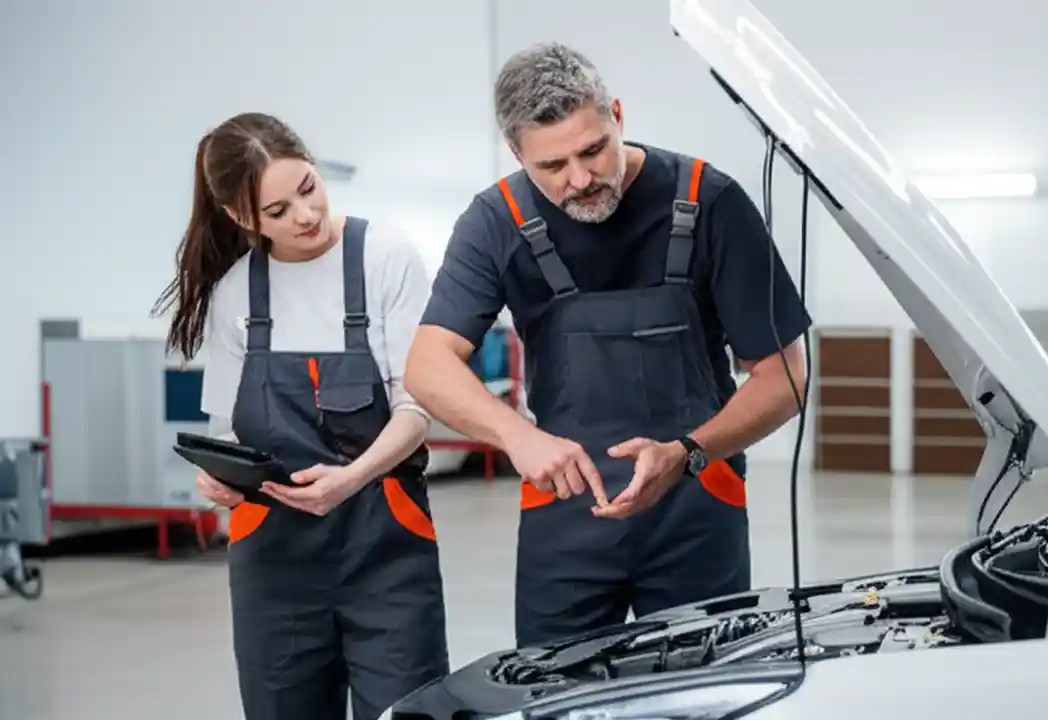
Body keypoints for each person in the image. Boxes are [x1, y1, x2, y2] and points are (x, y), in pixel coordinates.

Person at [405, 43, 811, 647]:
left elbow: (786, 377)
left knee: (705, 697)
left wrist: (688, 452)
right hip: (566, 513)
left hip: (697, 504)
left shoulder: (710, 202)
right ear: (517, 155)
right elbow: (427, 365)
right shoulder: (495, 220)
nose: (581, 179)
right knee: (556, 696)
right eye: (553, 166)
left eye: (594, 150)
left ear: (617, 114)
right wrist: (518, 437)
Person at [152, 112, 449, 720]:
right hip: (274, 564)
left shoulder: (385, 258)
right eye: (278, 212)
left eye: (308, 188)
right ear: (241, 219)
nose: (306, 217)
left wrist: (353, 477)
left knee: (409, 710)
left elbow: (417, 406)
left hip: (385, 551)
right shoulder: (237, 292)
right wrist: (218, 477)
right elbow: (228, 430)